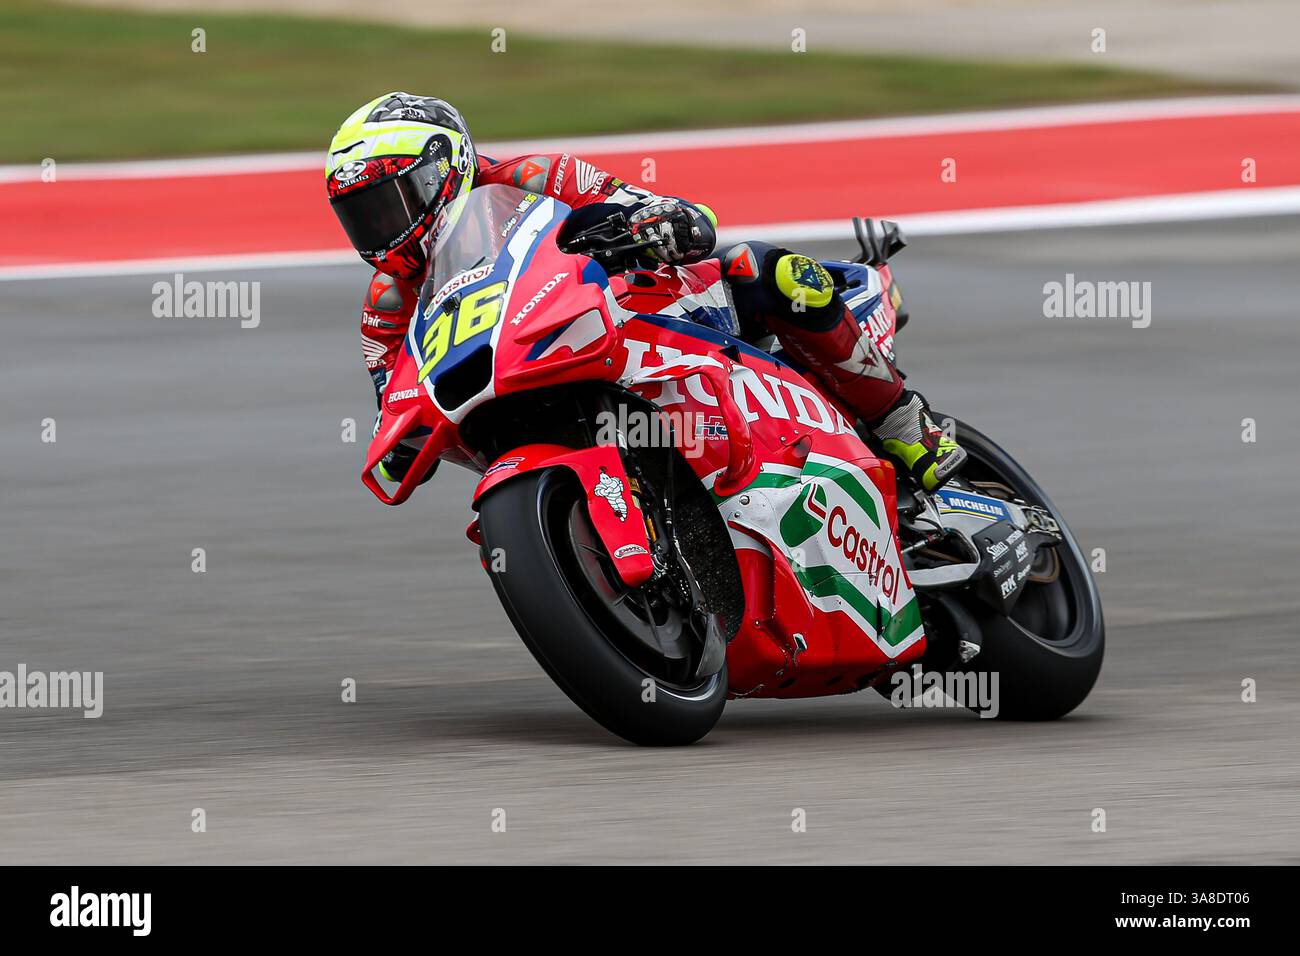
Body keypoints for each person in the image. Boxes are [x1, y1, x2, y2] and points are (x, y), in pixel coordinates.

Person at [326, 92, 966, 491]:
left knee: (766, 270)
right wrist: (402, 441)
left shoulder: (534, 177)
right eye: (361, 216)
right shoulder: (385, 307)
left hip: (644, 311)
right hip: (526, 381)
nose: (379, 230)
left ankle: (901, 421)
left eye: (387, 205)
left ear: (444, 171)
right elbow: (396, 403)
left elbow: (661, 209)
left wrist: (662, 222)